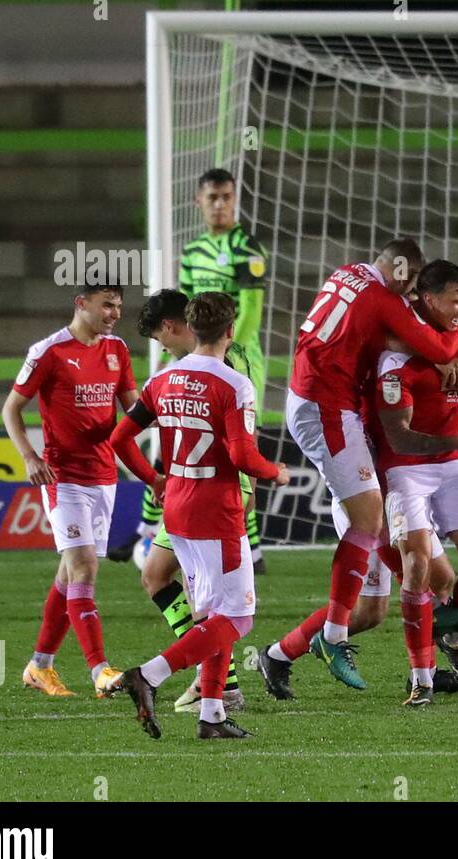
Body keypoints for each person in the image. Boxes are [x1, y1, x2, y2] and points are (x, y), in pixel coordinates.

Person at [257, 239, 458, 694]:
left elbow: (411, 340)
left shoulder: (349, 276)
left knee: (379, 608)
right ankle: (339, 639)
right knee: (414, 561)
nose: (409, 298)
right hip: (330, 412)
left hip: (335, 419)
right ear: (399, 275)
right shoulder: (388, 311)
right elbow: (434, 346)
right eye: (410, 288)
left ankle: (277, 655)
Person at [109, 292, 288, 739]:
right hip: (216, 511)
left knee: (211, 616)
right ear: (230, 331)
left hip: (178, 509)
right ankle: (148, 675)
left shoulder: (165, 380)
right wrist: (276, 472)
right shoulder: (233, 384)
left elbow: (119, 438)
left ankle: (212, 715)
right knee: (238, 618)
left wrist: (153, 477)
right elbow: (243, 455)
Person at [112, 169, 272, 570]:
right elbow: (186, 311)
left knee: (235, 450)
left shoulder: (246, 247)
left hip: (237, 357)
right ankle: (155, 531)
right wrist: (181, 360)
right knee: (180, 443)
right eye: (213, 197)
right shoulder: (194, 250)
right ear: (197, 202)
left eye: (227, 196)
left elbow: (251, 311)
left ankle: (244, 542)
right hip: (199, 354)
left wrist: (221, 353)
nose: (220, 204)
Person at [370, 260, 458, 706]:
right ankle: (421, 677)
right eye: (455, 300)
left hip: (456, 464)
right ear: (428, 300)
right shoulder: (395, 360)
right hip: (405, 468)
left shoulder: (453, 341)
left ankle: (450, 632)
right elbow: (398, 435)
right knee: (418, 566)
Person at [4, 283, 137, 698]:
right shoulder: (49, 351)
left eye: (118, 306)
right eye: (106, 305)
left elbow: (133, 410)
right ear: (82, 304)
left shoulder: (117, 350)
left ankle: (39, 666)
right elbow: (11, 409)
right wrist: (29, 456)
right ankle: (100, 669)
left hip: (104, 476)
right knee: (84, 568)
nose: (114, 313)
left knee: (69, 574)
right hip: (63, 478)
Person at [129, 289, 258, 713]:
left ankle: (213, 687)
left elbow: (241, 432)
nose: (160, 345)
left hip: (215, 492)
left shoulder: (228, 362)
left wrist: (250, 482)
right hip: (190, 493)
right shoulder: (179, 371)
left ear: (171, 326)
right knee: (159, 578)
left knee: (205, 597)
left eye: (158, 337)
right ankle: (214, 686)